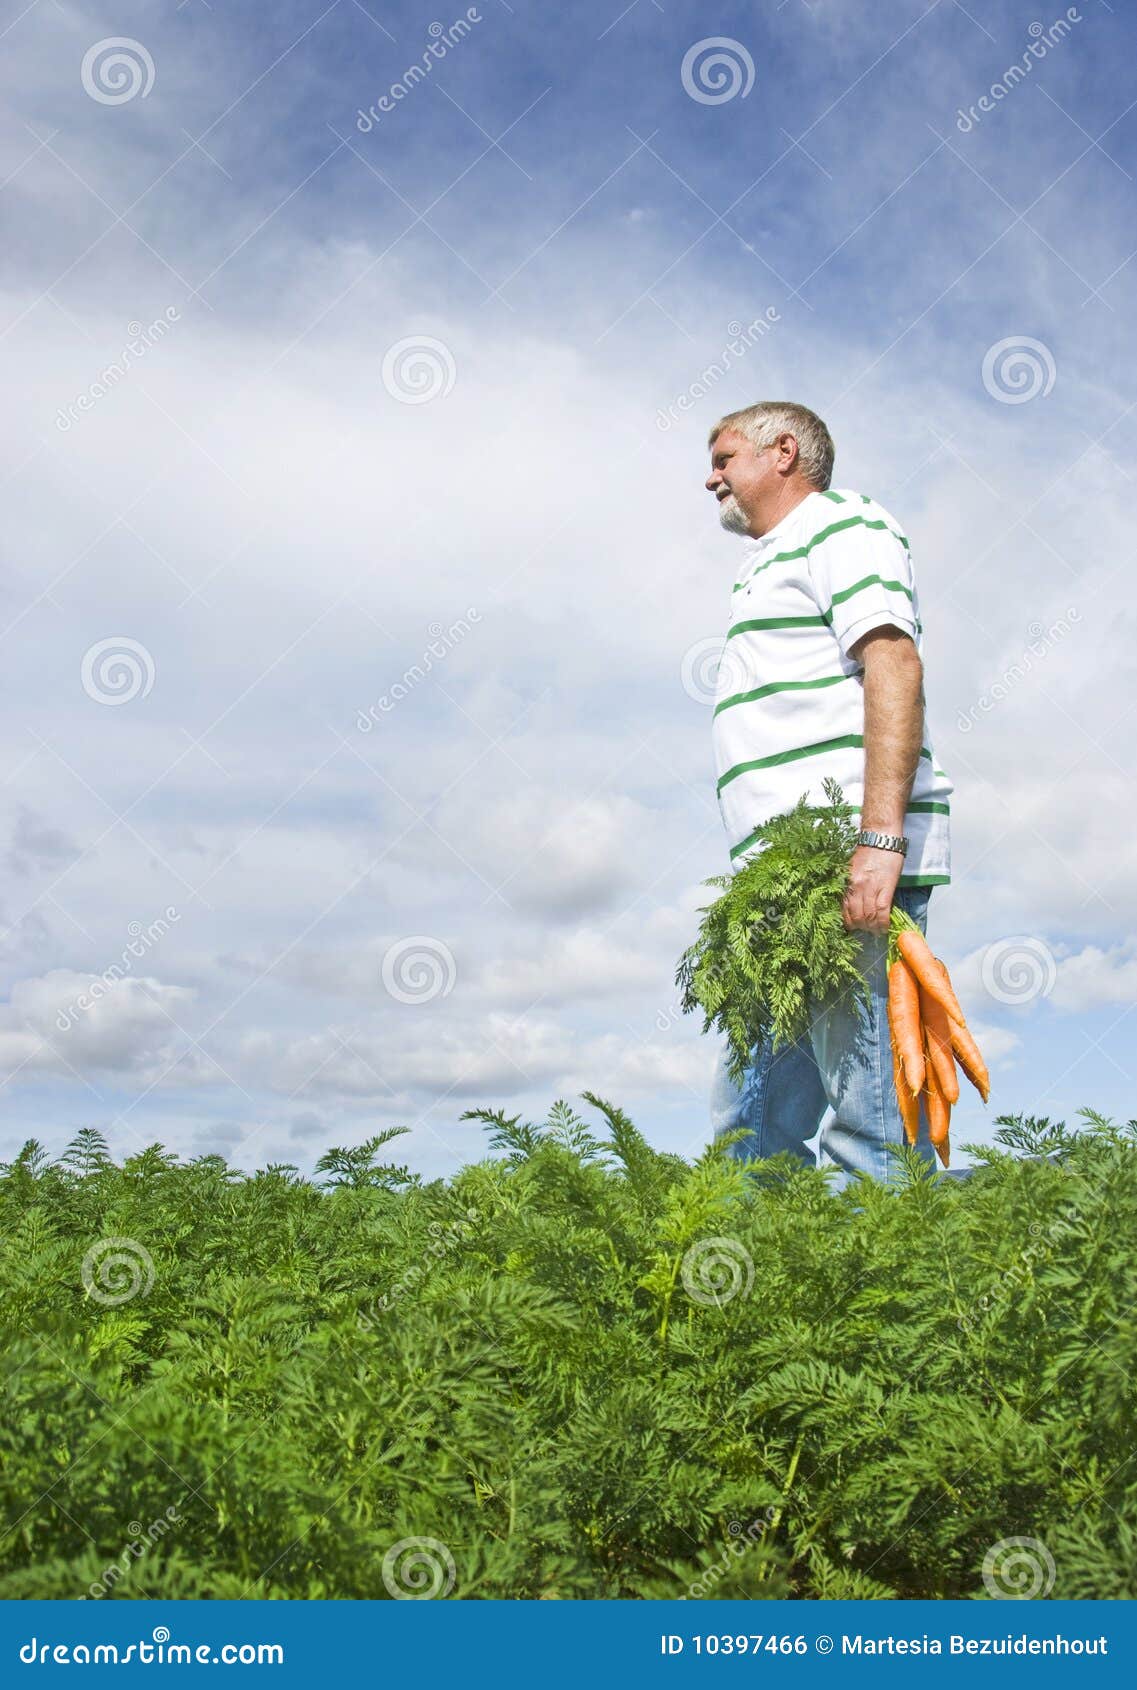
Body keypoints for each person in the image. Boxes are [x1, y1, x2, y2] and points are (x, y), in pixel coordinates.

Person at [703, 401, 952, 1186]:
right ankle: (757, 1303)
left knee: (867, 1120)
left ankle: (893, 1302)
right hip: (778, 880)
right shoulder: (767, 561)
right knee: (749, 1125)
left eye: (722, 457)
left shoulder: (842, 526)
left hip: (841, 862)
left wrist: (876, 844)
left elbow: (893, 665)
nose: (709, 477)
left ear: (782, 453)